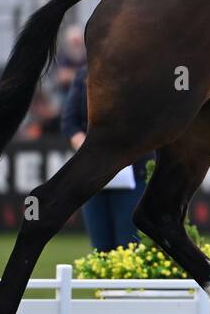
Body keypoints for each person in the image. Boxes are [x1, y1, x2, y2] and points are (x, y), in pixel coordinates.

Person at [61, 66, 151, 252]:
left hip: (132, 175)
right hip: (93, 175)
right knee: (100, 248)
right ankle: (103, 282)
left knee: (129, 248)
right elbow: (69, 122)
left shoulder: (143, 72)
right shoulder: (85, 73)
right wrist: (90, 150)